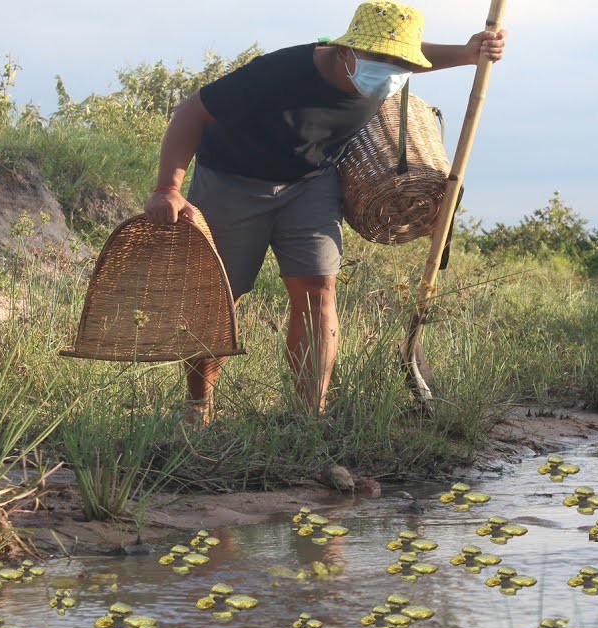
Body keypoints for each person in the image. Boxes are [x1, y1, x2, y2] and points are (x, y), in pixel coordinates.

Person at [144, 1, 506, 426]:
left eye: (400, 63)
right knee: (222, 295)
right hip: (233, 180)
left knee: (318, 287)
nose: (391, 72)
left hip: (311, 183)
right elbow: (193, 112)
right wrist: (167, 189)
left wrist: (466, 53)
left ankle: (309, 414)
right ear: (345, 51)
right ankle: (198, 406)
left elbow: (405, 57)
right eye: (381, 59)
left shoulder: (386, 74)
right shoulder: (278, 72)